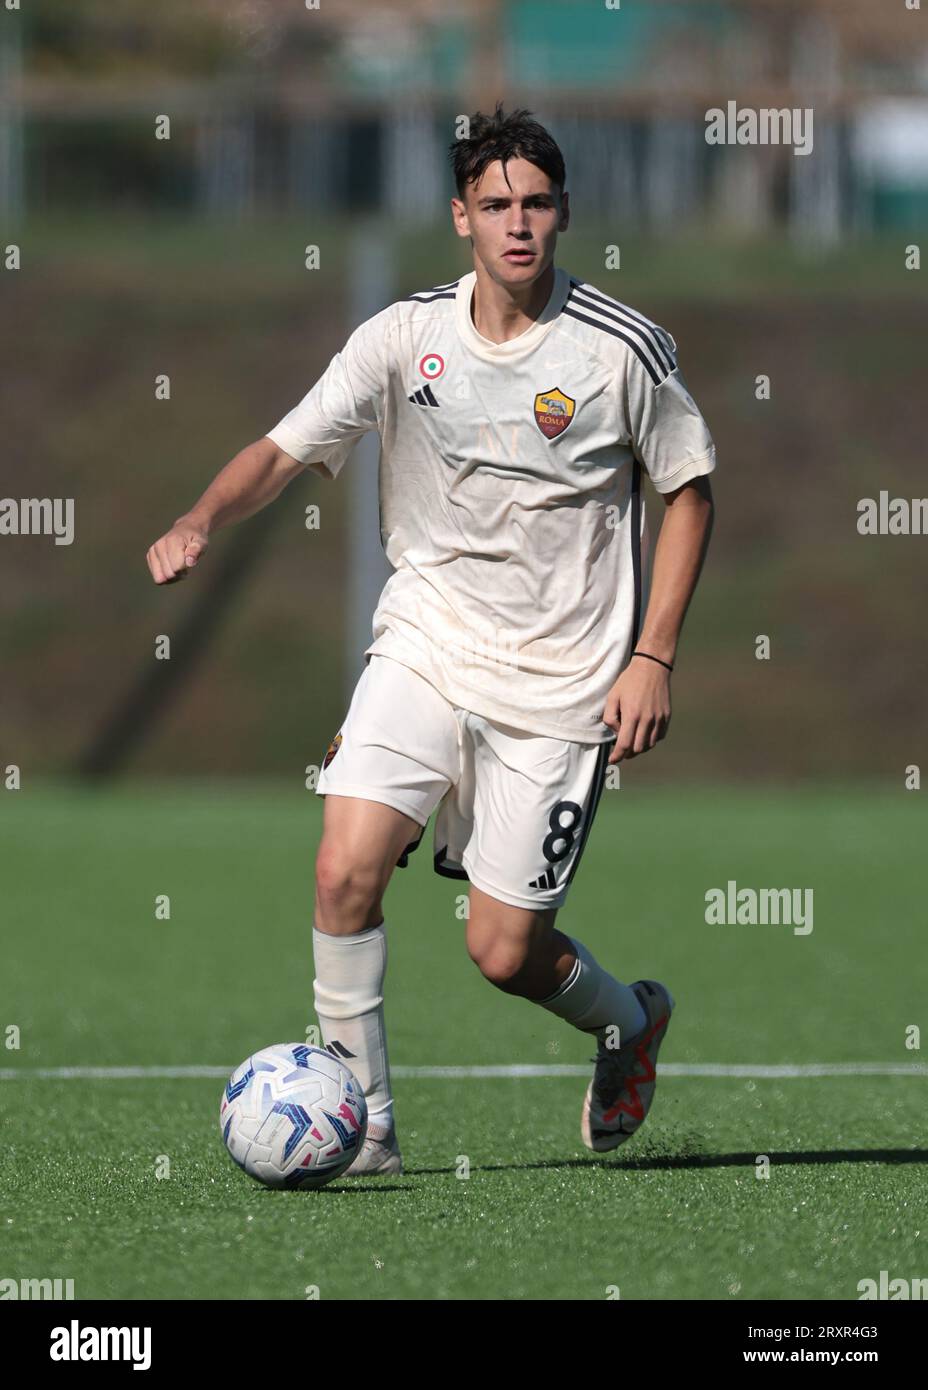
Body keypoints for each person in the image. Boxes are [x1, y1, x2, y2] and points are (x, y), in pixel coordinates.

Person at [146, 104, 716, 1175]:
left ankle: (628, 1024)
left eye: (536, 204)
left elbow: (687, 492)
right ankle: (367, 1133)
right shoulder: (404, 338)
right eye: (496, 205)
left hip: (561, 684)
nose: (517, 225)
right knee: (341, 870)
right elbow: (280, 450)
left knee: (502, 953)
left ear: (561, 214)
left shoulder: (619, 350)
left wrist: (654, 654)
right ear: (460, 217)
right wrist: (196, 519)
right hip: (425, 643)